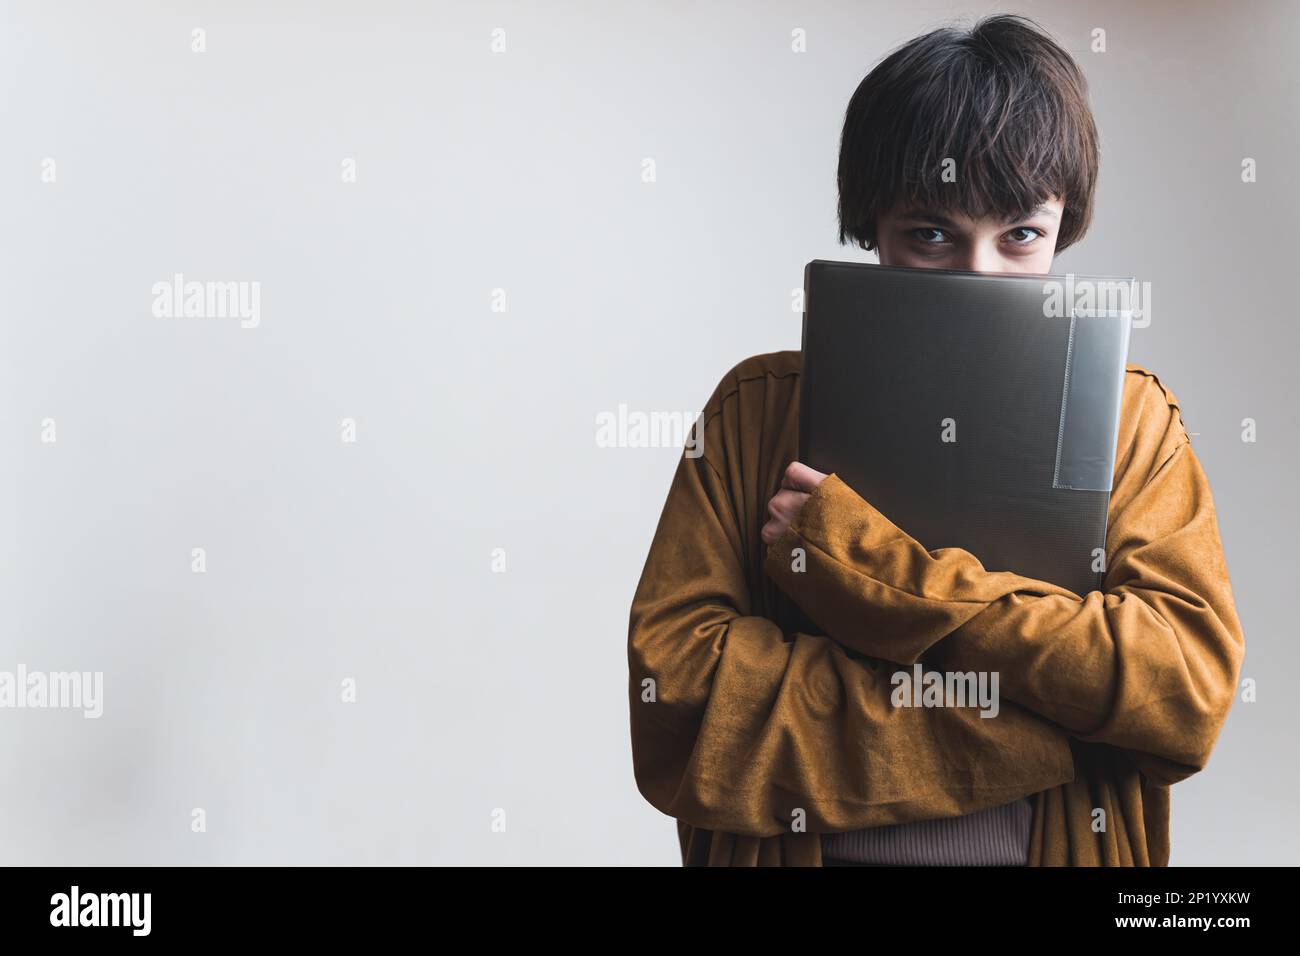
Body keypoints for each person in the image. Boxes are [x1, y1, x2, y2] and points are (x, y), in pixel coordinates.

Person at [626, 14, 1245, 867]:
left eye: (1019, 234)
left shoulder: (1133, 422)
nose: (976, 273)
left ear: (1061, 228)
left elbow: (1181, 693)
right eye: (930, 234)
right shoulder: (753, 410)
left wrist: (868, 567)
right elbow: (682, 705)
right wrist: (1057, 725)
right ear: (869, 228)